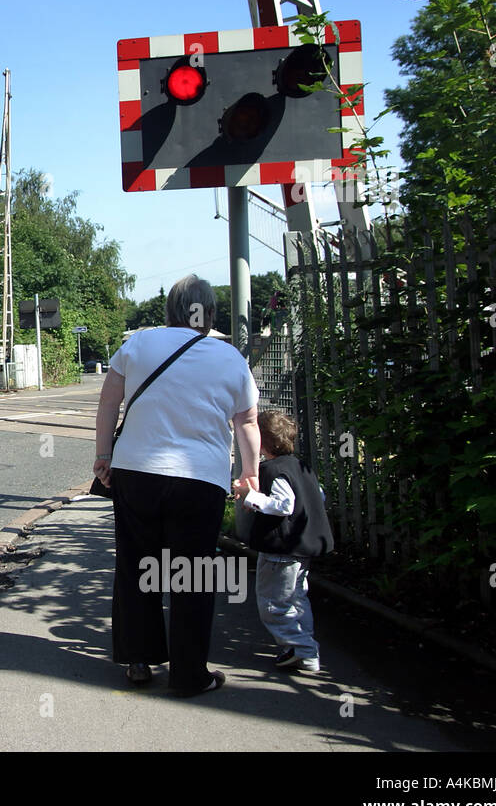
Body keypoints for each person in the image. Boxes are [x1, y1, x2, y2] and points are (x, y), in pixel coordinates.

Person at [94, 275, 260, 696]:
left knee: (135, 565)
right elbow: (247, 421)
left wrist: (103, 456)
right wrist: (250, 471)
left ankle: (138, 659)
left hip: (137, 473)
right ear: (211, 314)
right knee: (192, 575)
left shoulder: (138, 344)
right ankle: (189, 675)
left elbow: (109, 402)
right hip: (200, 480)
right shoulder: (230, 358)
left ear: (169, 310)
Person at [233, 410, 333, 673]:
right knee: (297, 598)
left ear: (260, 441)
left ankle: (303, 648)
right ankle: (301, 648)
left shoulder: (272, 470)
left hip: (281, 550)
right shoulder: (301, 467)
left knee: (272, 603)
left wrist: (249, 496)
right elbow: (317, 497)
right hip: (301, 549)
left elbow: (283, 505)